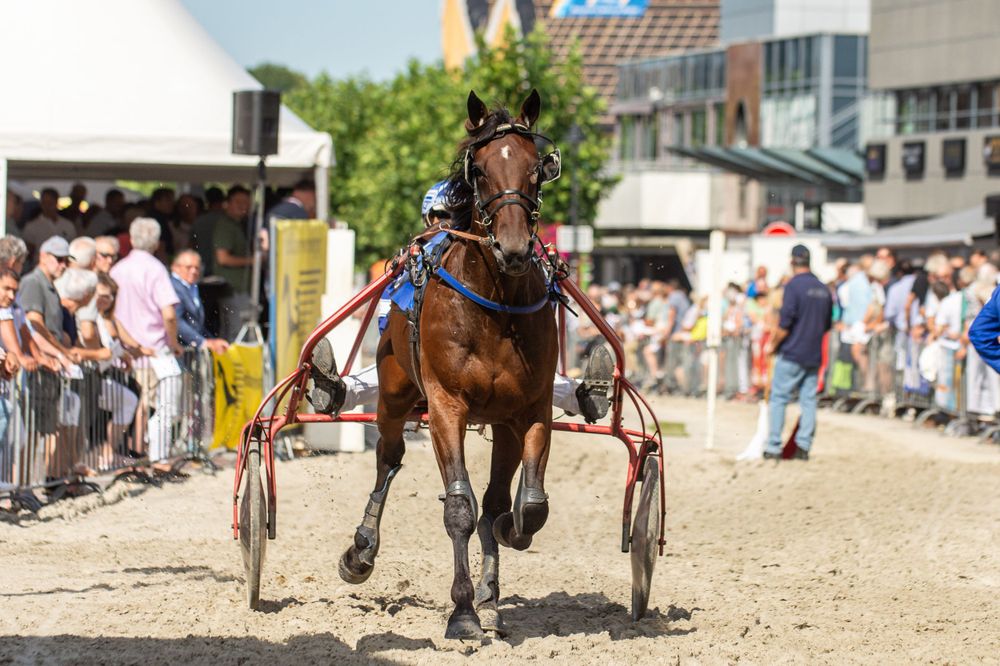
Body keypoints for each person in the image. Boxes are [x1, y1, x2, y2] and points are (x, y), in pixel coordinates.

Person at [307, 182, 614, 424]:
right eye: (439, 217)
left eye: (452, 218)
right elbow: (387, 322)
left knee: (530, 375)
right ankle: (338, 393)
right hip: (417, 361)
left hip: (492, 367)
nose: (444, 225)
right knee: (395, 367)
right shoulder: (413, 261)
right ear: (428, 219)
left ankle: (581, 396)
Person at [110, 218, 183, 466]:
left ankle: (136, 453)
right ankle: (145, 455)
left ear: (131, 239)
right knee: (150, 406)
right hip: (152, 348)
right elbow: (169, 314)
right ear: (157, 242)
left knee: (137, 403)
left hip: (125, 348)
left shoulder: (118, 269)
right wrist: (173, 343)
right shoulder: (156, 269)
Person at [763, 244, 832, 461]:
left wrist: (773, 344)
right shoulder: (823, 288)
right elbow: (828, 323)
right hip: (813, 354)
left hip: (792, 352)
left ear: (792, 261)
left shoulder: (793, 286)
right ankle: (803, 447)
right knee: (809, 400)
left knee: (779, 398)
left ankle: (773, 446)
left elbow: (785, 322)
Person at [211, 186, 254, 341]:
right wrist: (252, 261)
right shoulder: (226, 225)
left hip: (236, 289)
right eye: (238, 202)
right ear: (227, 203)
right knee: (235, 332)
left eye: (246, 202)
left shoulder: (238, 224)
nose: (243, 206)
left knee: (235, 330)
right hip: (232, 289)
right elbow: (222, 258)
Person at [170, 250, 229, 354]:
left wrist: (212, 341)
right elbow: (176, 321)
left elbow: (196, 324)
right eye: (189, 267)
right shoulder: (173, 287)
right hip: (178, 350)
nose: (193, 271)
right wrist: (203, 342)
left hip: (190, 349)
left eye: (197, 268)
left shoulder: (192, 287)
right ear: (175, 267)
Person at [21, 188, 76, 263]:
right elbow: (29, 252)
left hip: (63, 266)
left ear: (56, 202)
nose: (47, 206)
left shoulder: (68, 225)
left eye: (50, 203)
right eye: (44, 203)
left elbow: (73, 248)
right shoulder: (31, 226)